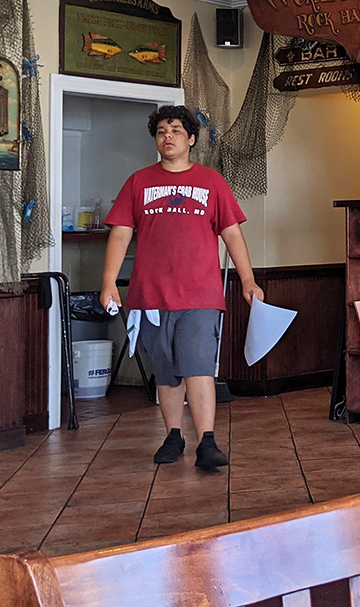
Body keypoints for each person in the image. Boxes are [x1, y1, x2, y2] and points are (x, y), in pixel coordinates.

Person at [100, 105, 263, 471]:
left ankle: (207, 442)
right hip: (151, 295)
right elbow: (121, 232)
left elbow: (232, 232)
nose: (167, 136)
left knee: (199, 366)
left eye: (175, 129)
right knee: (167, 369)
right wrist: (109, 280)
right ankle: (173, 435)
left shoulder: (212, 182)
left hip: (200, 294)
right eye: (161, 131)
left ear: (190, 139)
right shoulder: (138, 182)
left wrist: (248, 279)